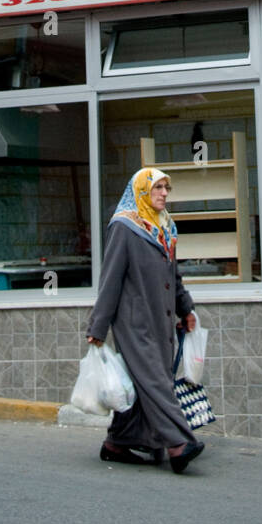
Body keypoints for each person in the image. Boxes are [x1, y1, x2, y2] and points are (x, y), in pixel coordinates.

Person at [86, 167, 204, 473]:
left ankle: (117, 443)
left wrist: (186, 310)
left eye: (167, 188)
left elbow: (173, 276)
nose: (164, 193)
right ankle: (179, 444)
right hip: (134, 321)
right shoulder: (124, 227)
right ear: (142, 191)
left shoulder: (165, 227)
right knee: (155, 379)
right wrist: (98, 326)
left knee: (143, 383)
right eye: (158, 188)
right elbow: (110, 279)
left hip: (161, 318)